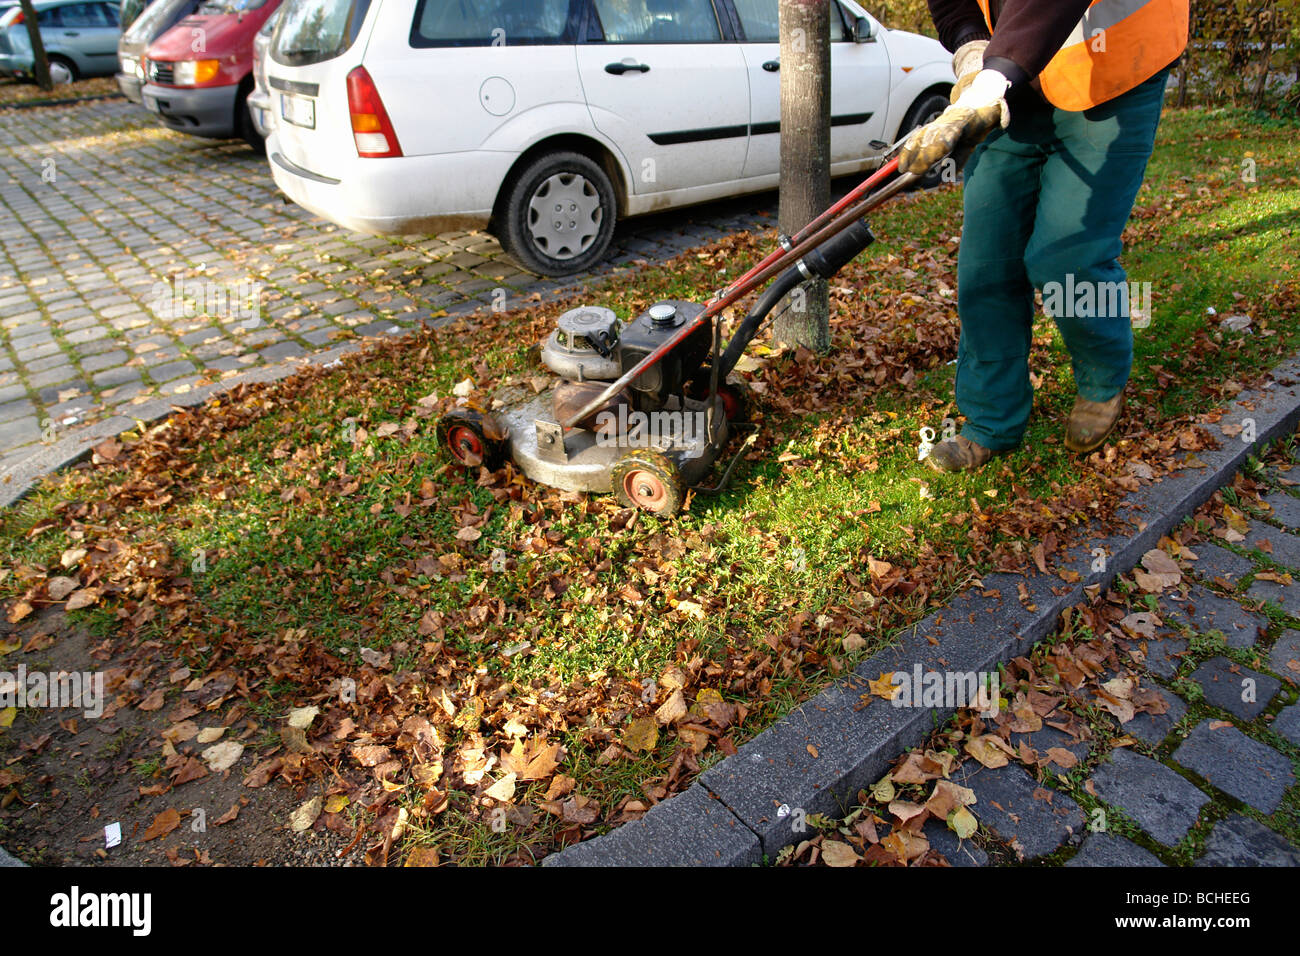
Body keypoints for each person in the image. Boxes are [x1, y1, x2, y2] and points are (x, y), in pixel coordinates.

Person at [898, 0, 1189, 472]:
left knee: (1066, 258)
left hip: (1111, 69)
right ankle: (991, 420)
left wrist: (989, 84)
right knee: (987, 259)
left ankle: (1101, 377)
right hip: (1013, 81)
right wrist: (974, 57)